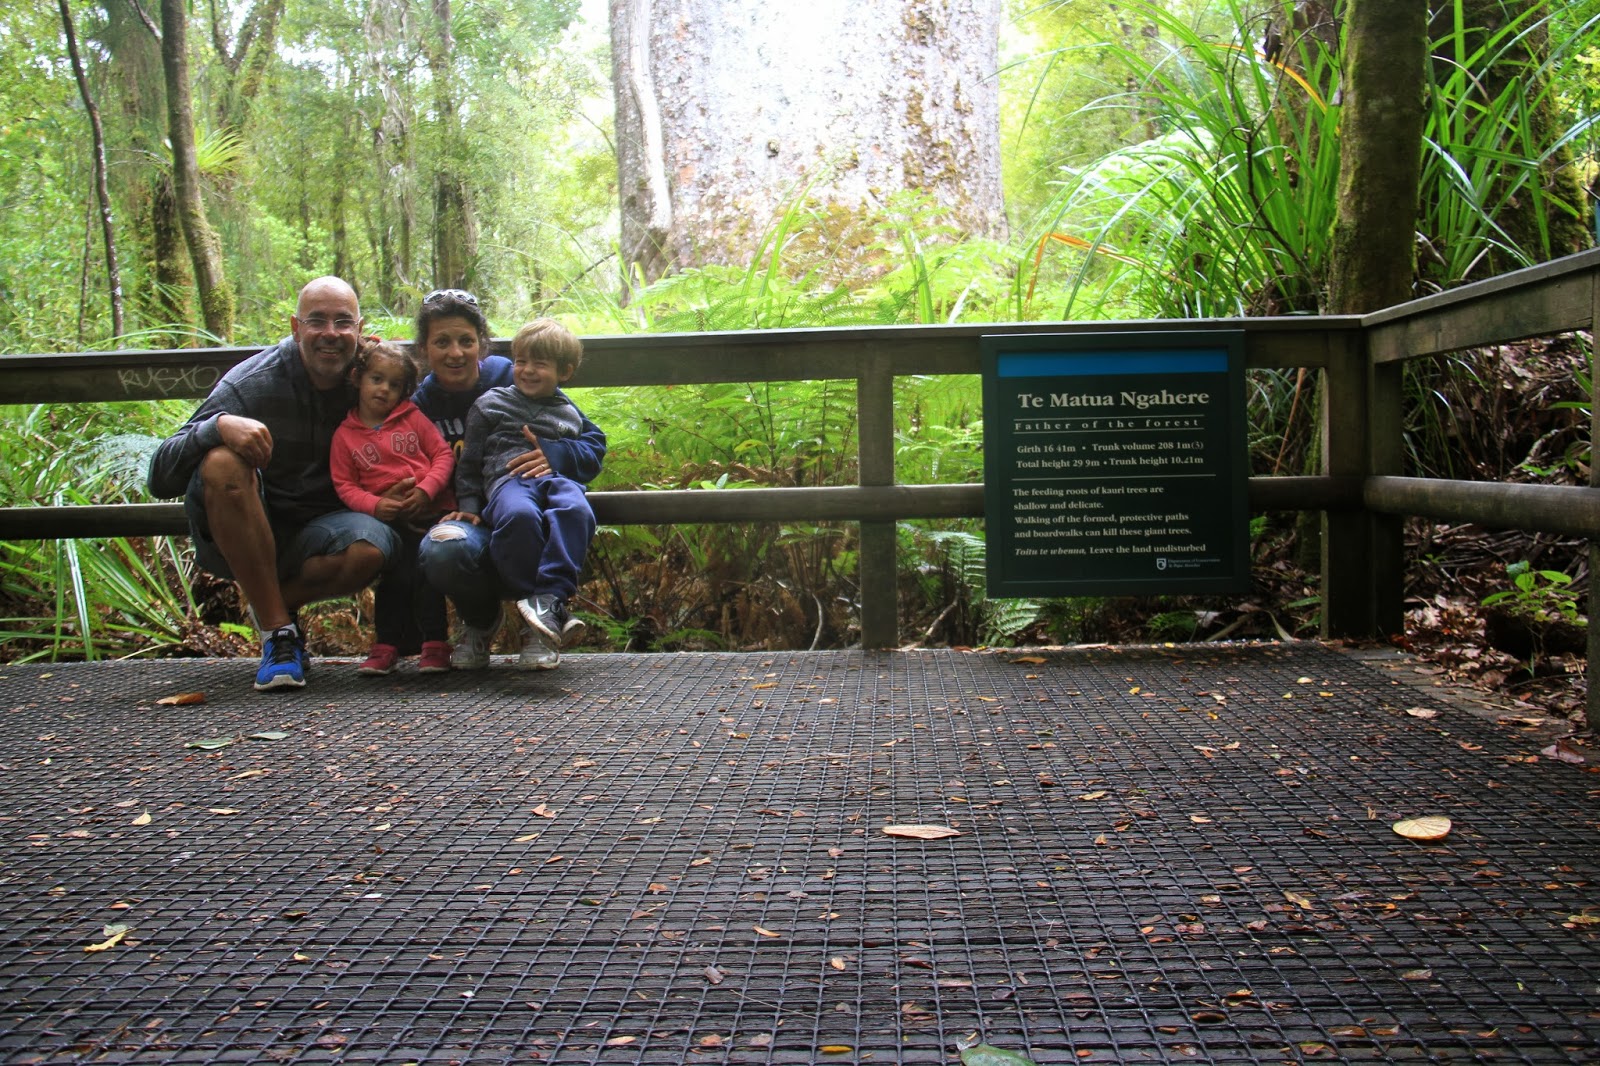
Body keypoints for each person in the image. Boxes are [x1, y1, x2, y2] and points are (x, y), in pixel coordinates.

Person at [147, 276, 401, 691]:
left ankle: (268, 604)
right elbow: (160, 476)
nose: (331, 334)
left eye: (343, 322)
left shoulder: (374, 376)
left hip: (323, 532)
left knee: (370, 550)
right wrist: (219, 426)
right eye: (317, 321)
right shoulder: (253, 383)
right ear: (295, 327)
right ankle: (279, 633)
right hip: (243, 527)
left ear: (359, 328)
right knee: (222, 462)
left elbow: (430, 422)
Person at [439, 318, 606, 670]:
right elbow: (469, 462)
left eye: (539, 364)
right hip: (509, 480)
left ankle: (552, 597)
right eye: (521, 362)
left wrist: (559, 455)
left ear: (565, 372)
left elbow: (594, 451)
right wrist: (469, 503)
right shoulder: (491, 404)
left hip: (557, 482)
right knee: (520, 516)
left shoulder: (568, 411)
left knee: (577, 511)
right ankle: (534, 604)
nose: (527, 371)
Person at [329, 339, 456, 675]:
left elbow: (442, 455)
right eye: (376, 379)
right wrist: (375, 505)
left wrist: (427, 491)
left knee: (428, 576)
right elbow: (344, 484)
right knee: (395, 579)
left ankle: (435, 644)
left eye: (394, 384)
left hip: (428, 514)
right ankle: (386, 645)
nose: (384, 389)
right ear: (358, 378)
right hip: (388, 523)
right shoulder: (345, 436)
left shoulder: (412, 419)